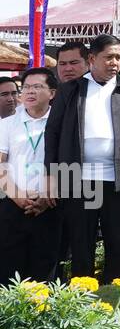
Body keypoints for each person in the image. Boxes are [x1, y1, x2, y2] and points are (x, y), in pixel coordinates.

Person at [44, 35, 120, 280]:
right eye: (108, 57)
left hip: (118, 180)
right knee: (81, 242)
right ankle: (82, 292)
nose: (114, 63)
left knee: (118, 241)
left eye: (119, 57)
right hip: (77, 179)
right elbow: (53, 133)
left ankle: (116, 289)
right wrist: (51, 176)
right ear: (92, 59)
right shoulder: (70, 90)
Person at [0, 67, 60, 283]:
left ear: (52, 93)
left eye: (37, 87)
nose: (29, 92)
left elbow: (68, 160)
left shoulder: (61, 121)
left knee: (44, 269)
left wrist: (46, 196)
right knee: (8, 269)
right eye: (25, 88)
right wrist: (17, 196)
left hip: (50, 204)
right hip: (13, 203)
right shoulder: (6, 124)